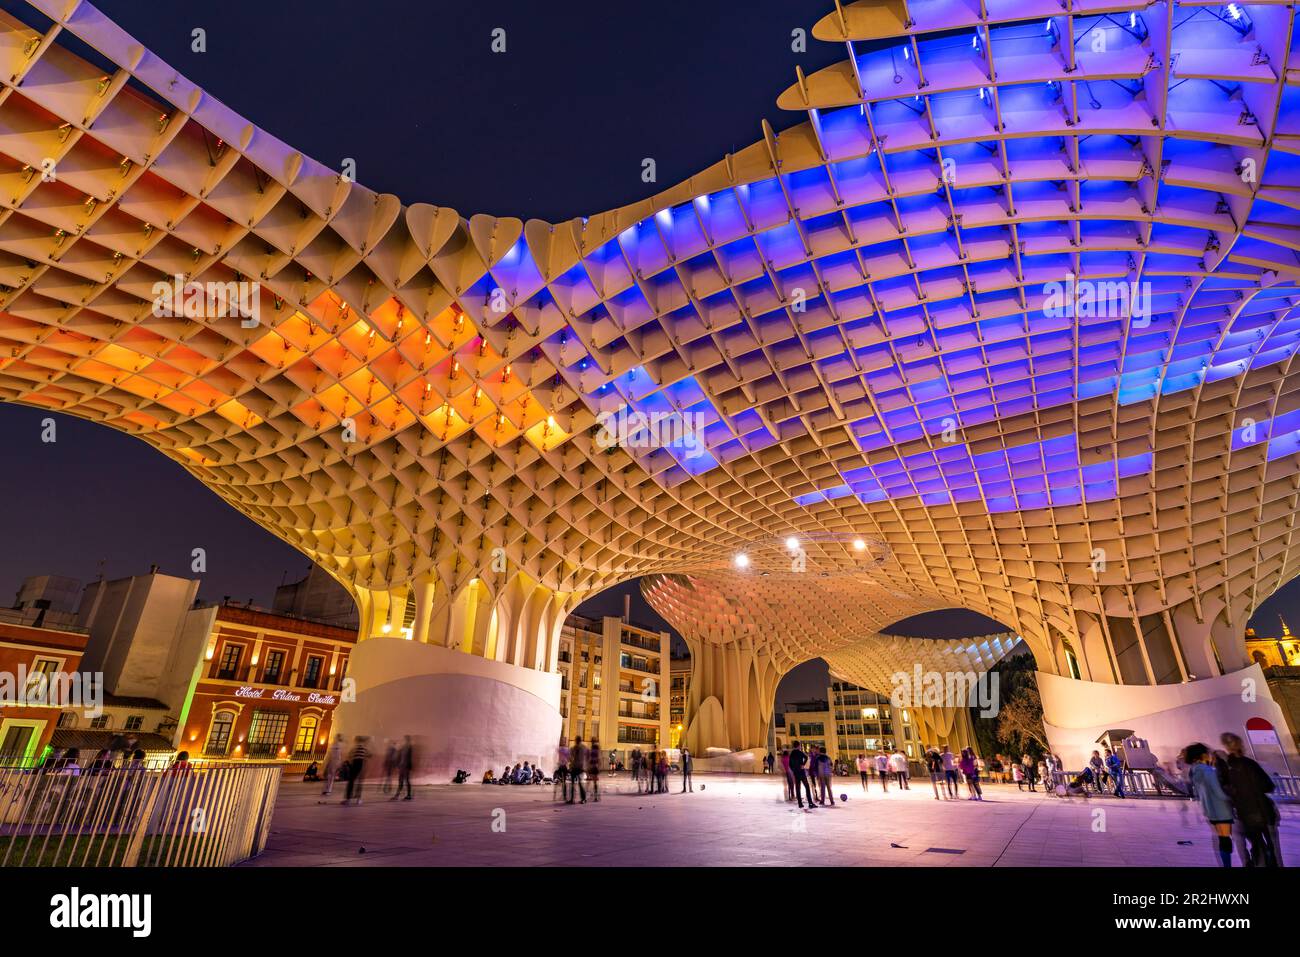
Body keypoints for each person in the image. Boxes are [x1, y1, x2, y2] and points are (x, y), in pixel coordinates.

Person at [1220, 732, 1280, 867]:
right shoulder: (1250, 764)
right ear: (1240, 745)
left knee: (1258, 846)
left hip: (1245, 815)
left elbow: (1226, 790)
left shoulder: (1226, 769)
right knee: (1273, 847)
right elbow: (1268, 786)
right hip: (1264, 812)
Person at [1185, 743, 1235, 867]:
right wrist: (1230, 799)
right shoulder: (1208, 771)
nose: (1210, 756)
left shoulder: (1194, 771)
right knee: (1226, 840)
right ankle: (1227, 865)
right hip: (1221, 809)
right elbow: (1218, 792)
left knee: (1222, 838)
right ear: (1202, 755)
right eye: (1208, 753)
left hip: (1210, 809)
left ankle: (1226, 864)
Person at [788, 741, 815, 809]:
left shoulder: (792, 753)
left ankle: (800, 804)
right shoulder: (800, 752)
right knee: (807, 787)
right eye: (800, 745)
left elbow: (790, 764)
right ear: (798, 746)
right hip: (801, 772)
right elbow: (806, 757)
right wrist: (803, 764)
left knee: (797, 788)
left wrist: (793, 770)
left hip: (796, 773)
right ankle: (810, 803)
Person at [343, 736, 369, 805]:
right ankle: (358, 799)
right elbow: (368, 756)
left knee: (351, 782)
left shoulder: (354, 748)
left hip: (354, 764)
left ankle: (348, 799)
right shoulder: (364, 748)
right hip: (360, 765)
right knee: (359, 783)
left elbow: (349, 756)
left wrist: (348, 765)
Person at [391, 735, 414, 800]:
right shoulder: (404, 747)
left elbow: (409, 758)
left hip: (405, 767)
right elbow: (399, 756)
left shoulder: (409, 747)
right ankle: (397, 795)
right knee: (401, 781)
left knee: (406, 780)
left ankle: (408, 795)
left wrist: (408, 766)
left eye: (406, 739)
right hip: (402, 766)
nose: (405, 741)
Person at [568, 737, 587, 804]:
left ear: (576, 741)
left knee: (574, 783)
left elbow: (571, 758)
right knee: (579, 783)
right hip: (580, 767)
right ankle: (583, 799)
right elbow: (587, 757)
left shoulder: (574, 748)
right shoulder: (584, 747)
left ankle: (573, 799)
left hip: (576, 767)